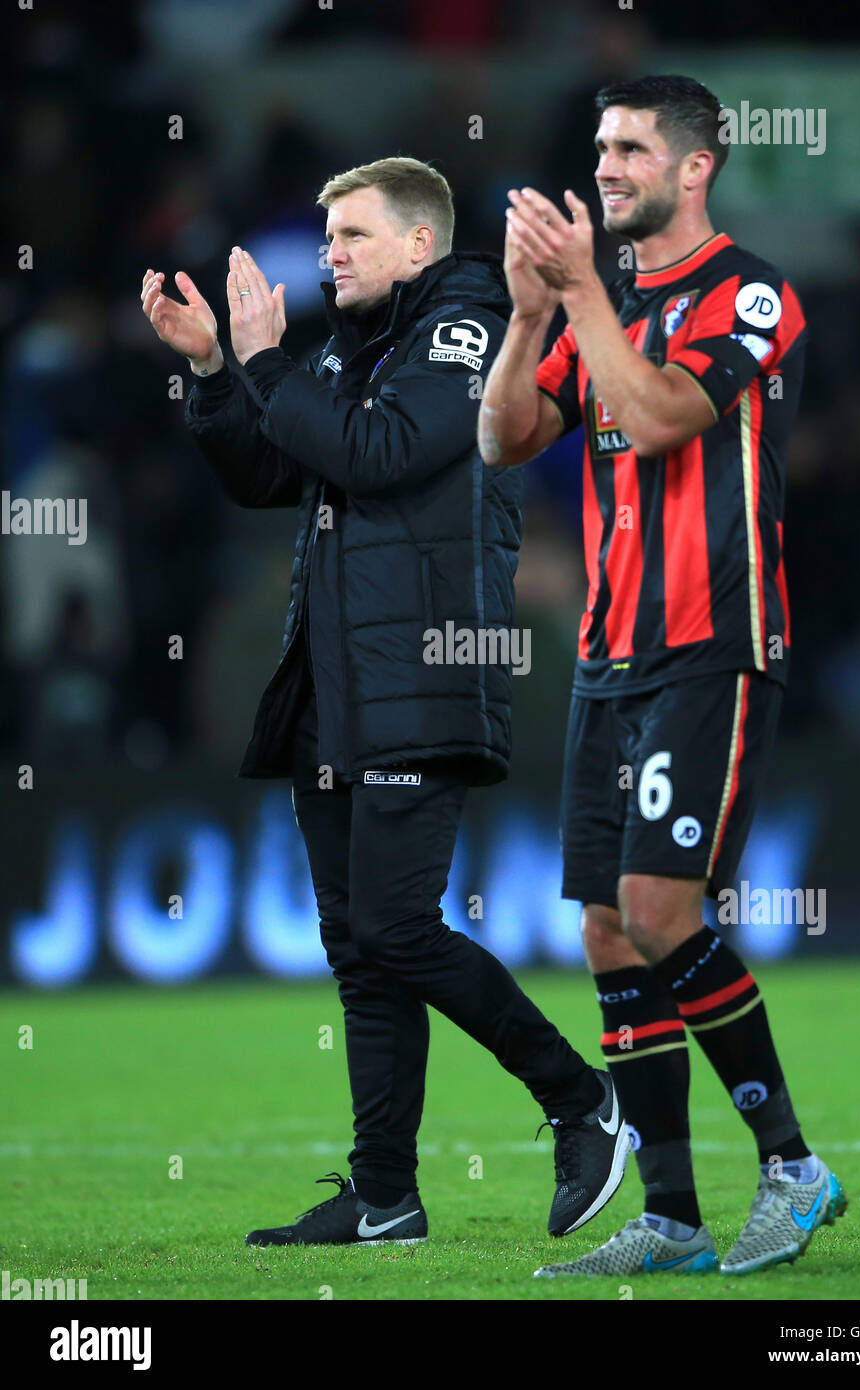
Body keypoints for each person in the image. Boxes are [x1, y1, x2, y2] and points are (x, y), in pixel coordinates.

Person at [141, 156, 627, 1247]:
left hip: (420, 673)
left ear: (418, 243)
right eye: (326, 238)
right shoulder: (356, 349)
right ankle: (382, 1194)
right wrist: (220, 369)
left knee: (398, 927)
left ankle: (579, 1096)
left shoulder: (465, 332)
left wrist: (269, 360)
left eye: (352, 235)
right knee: (360, 947)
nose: (329, 254)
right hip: (332, 683)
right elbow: (269, 474)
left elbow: (379, 451)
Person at [479, 76, 847, 1278]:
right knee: (602, 929)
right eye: (599, 145)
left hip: (711, 646)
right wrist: (533, 313)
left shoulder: (746, 293)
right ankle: (673, 1214)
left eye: (632, 147)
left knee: (657, 911)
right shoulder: (606, 302)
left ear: (696, 166)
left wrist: (582, 292)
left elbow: (655, 418)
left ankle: (791, 1167)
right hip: (607, 656)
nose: (608, 165)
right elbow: (504, 439)